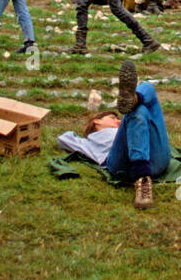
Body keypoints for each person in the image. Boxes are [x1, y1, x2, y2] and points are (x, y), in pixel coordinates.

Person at [73, 61, 172, 209]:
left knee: (147, 90)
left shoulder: (130, 124)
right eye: (112, 118)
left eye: (118, 119)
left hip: (155, 161)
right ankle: (142, 180)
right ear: (96, 122)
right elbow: (64, 139)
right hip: (122, 165)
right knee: (136, 112)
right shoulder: (89, 139)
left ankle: (135, 98)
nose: (119, 121)